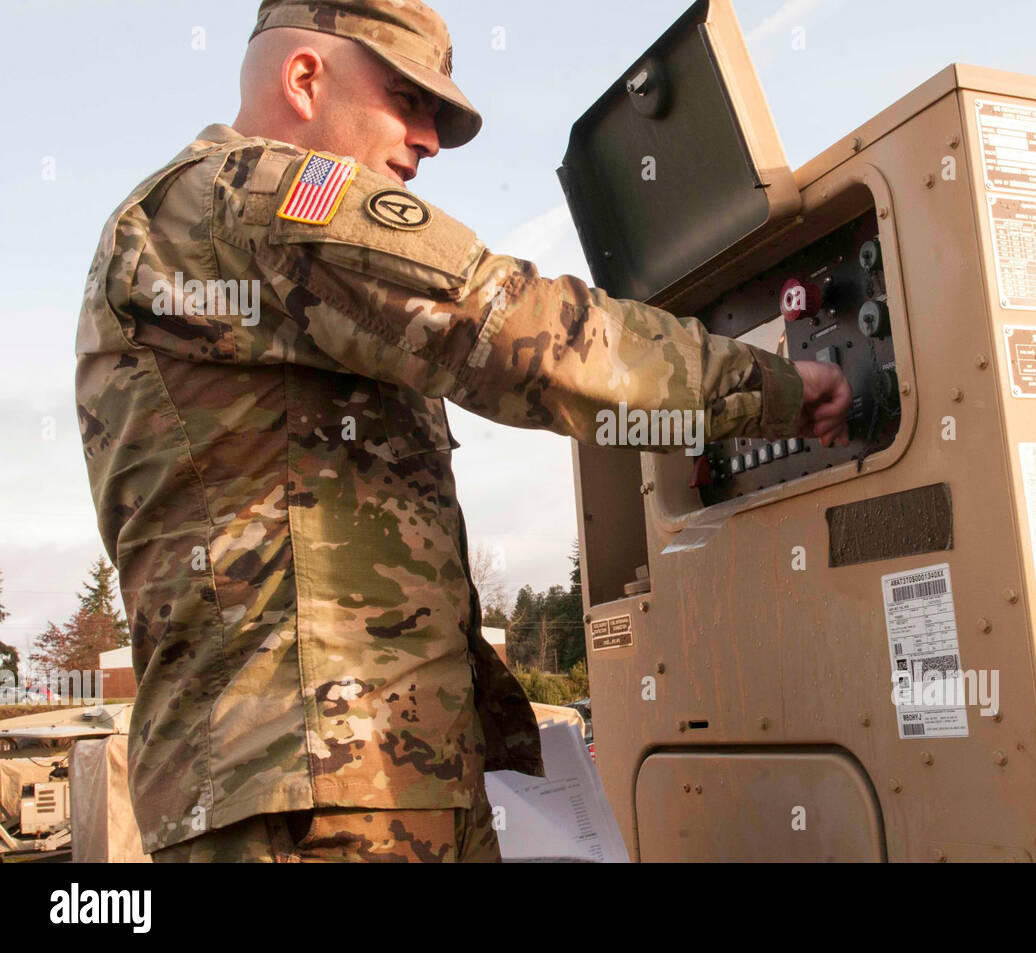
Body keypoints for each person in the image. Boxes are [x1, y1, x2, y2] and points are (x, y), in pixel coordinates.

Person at [74, 0, 851, 863]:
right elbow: (511, 328)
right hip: (319, 799)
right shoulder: (249, 197)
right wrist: (777, 386)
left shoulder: (226, 238)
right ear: (304, 78)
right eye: (407, 99)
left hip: (358, 783)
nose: (429, 139)